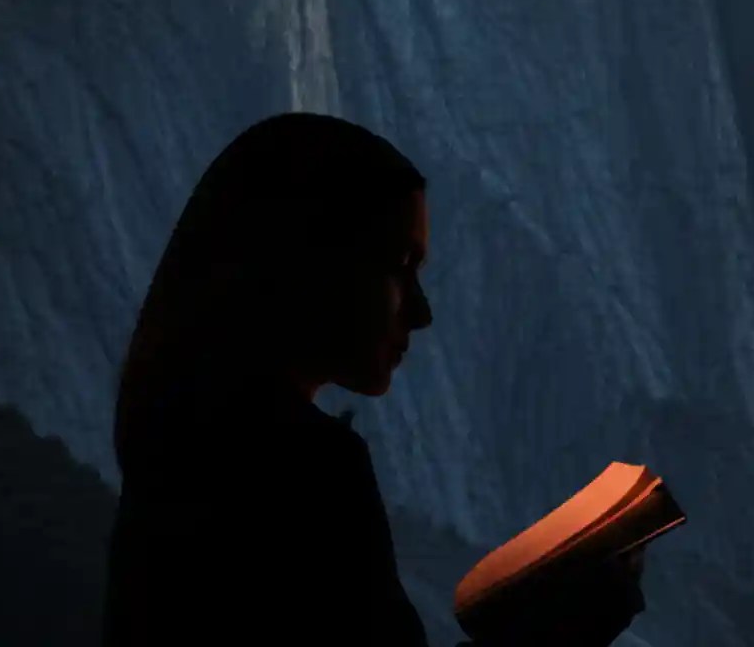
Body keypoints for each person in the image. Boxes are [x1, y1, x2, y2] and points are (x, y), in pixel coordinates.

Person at [101, 113, 645, 646]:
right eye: (399, 264)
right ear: (312, 261)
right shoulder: (305, 467)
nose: (421, 310)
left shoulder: (178, 447)